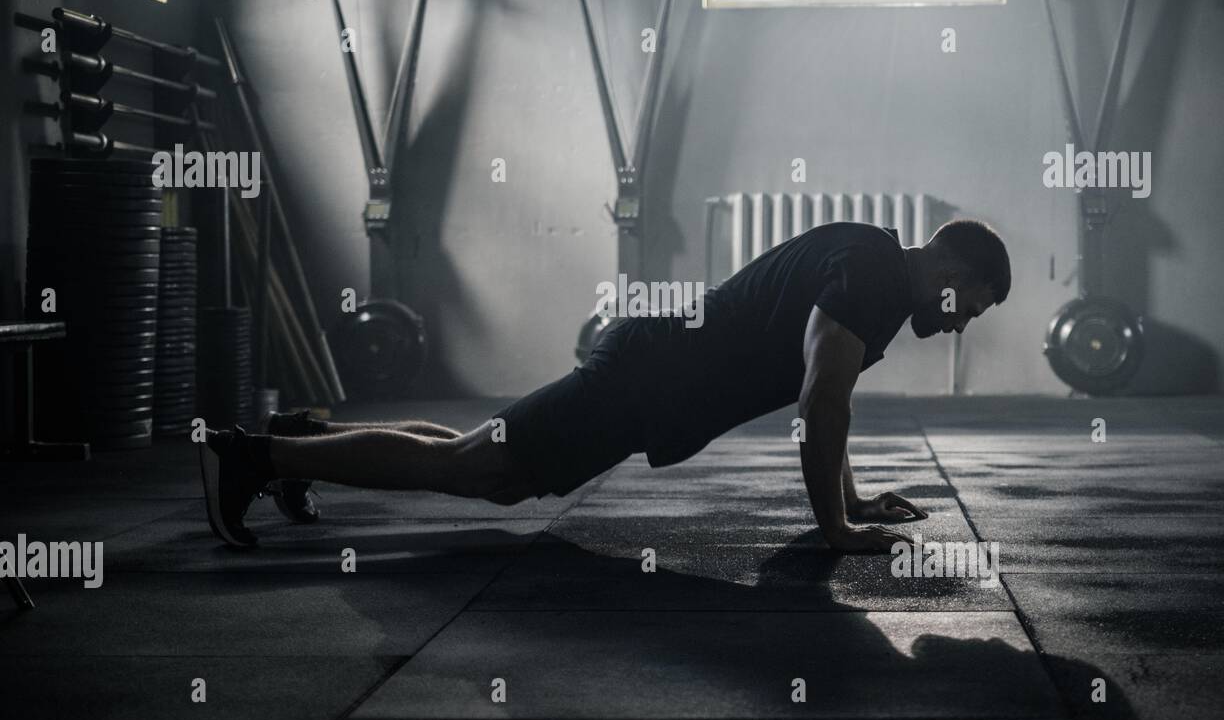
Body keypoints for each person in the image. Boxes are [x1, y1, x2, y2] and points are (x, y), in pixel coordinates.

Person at [200, 219, 1010, 552]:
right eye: (970, 304)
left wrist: (854, 499)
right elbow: (820, 400)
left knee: (484, 458)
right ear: (948, 268)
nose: (965, 322)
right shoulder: (872, 276)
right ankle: (255, 457)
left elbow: (829, 395)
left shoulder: (877, 275)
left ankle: (301, 449)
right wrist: (835, 525)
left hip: (652, 377)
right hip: (646, 378)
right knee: (481, 471)